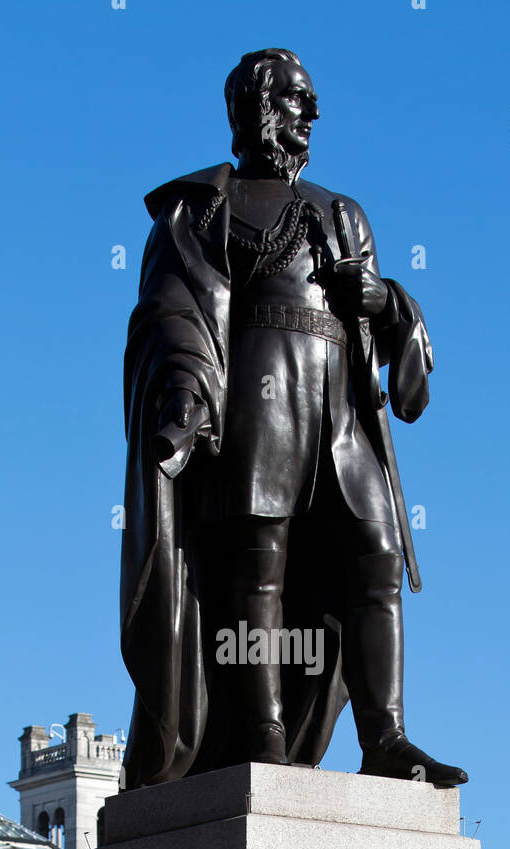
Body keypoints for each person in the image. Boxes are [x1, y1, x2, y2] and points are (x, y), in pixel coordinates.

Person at [119, 48, 467, 792]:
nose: (312, 114)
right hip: (258, 398)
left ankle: (387, 737)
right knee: (259, 566)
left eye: (312, 101)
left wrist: (386, 303)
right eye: (299, 98)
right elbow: (170, 315)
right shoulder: (197, 210)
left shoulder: (343, 214)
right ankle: (263, 733)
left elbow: (393, 327)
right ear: (255, 105)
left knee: (376, 558)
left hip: (340, 411)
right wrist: (185, 394)